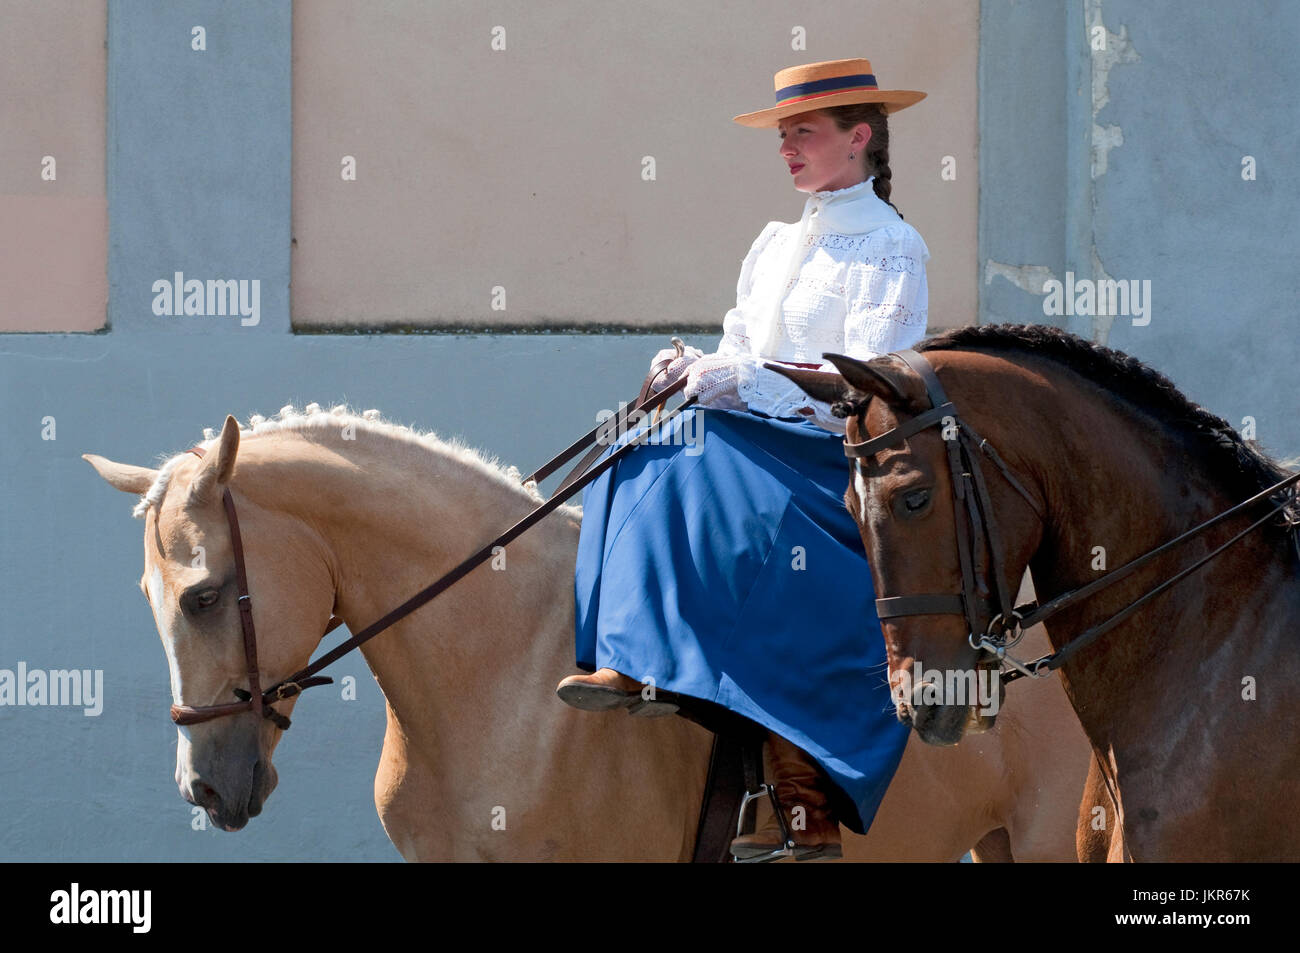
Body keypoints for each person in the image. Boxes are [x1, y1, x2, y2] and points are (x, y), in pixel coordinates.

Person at [557, 58, 930, 861]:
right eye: (782, 135)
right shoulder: (772, 243)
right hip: (751, 434)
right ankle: (629, 659)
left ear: (858, 136)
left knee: (704, 456)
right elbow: (738, 351)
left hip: (834, 455)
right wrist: (691, 367)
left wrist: (743, 378)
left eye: (804, 132)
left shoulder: (893, 248)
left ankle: (799, 788)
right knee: (638, 440)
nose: (787, 147)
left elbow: (865, 383)